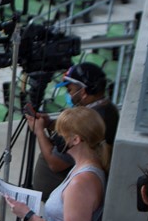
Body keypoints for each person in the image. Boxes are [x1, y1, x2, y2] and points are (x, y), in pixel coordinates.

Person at [29, 63, 119, 199]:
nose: (69, 94)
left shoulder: (89, 119)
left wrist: (39, 131)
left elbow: (55, 164)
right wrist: (50, 124)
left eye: (70, 90)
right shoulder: (107, 109)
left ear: (83, 91)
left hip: (65, 198)